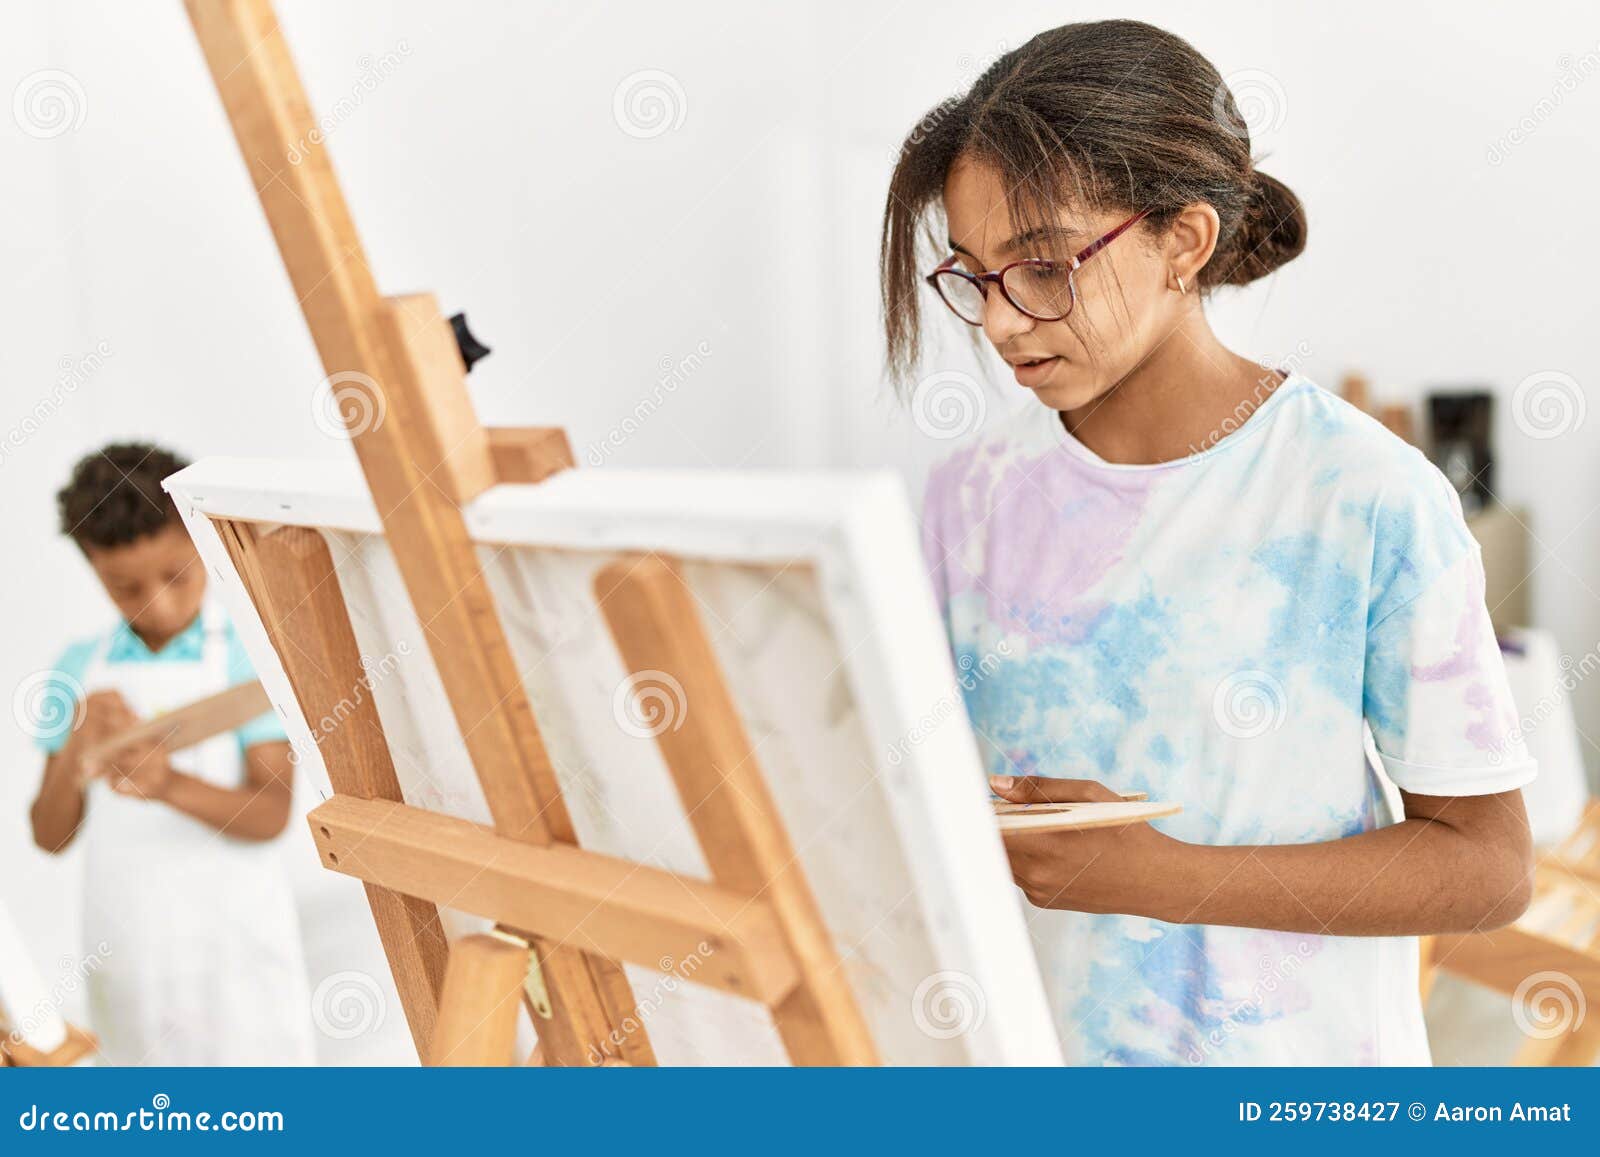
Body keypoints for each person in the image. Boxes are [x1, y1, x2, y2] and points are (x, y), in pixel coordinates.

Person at [882, 20, 1535, 1064]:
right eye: (972, 273)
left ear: (1181, 241)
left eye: (1041, 267)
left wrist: (1156, 873)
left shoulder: (1360, 493)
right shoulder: (970, 495)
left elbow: (1489, 867)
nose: (1001, 323)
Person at [28, 442, 314, 1065]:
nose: (156, 603)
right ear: (92, 567)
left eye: (177, 576)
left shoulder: (247, 655)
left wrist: (167, 784)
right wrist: (79, 744)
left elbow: (269, 815)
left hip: (235, 952)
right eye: (124, 587)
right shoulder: (78, 670)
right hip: (126, 952)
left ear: (201, 541)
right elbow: (49, 834)